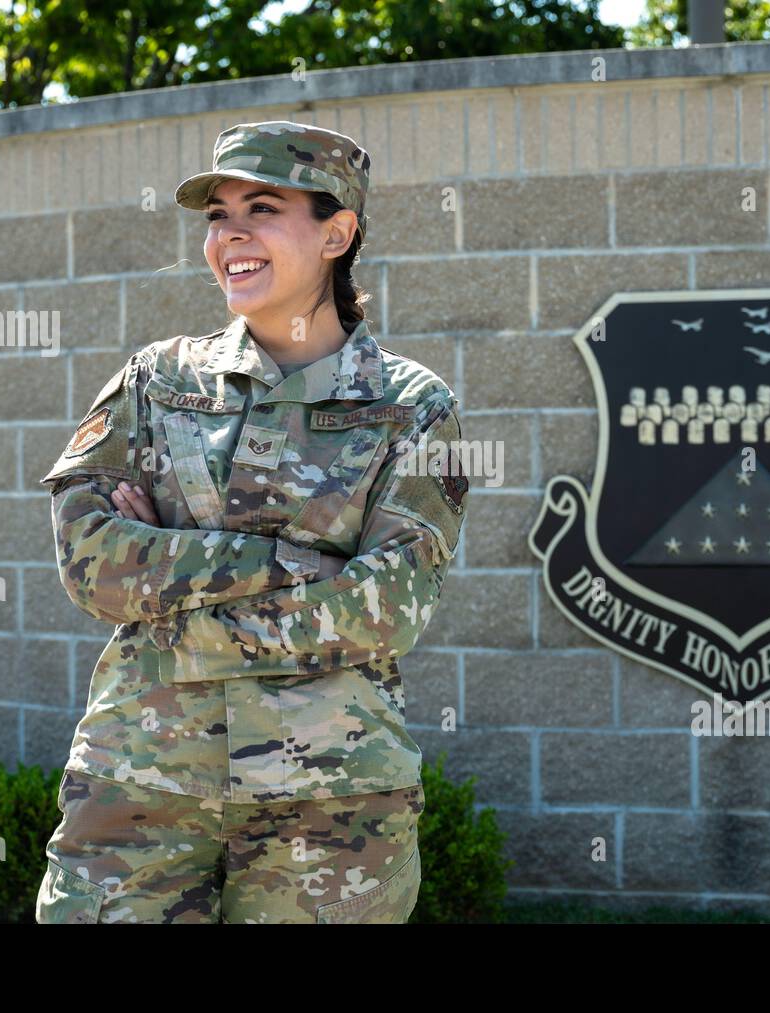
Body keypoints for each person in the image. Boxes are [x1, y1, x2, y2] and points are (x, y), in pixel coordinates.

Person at [33, 121, 469, 924]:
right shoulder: (155, 381)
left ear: (337, 232)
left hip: (331, 809)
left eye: (261, 207)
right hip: (140, 788)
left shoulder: (411, 407)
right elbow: (90, 561)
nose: (229, 233)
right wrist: (293, 562)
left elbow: (386, 608)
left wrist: (172, 602)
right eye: (215, 213)